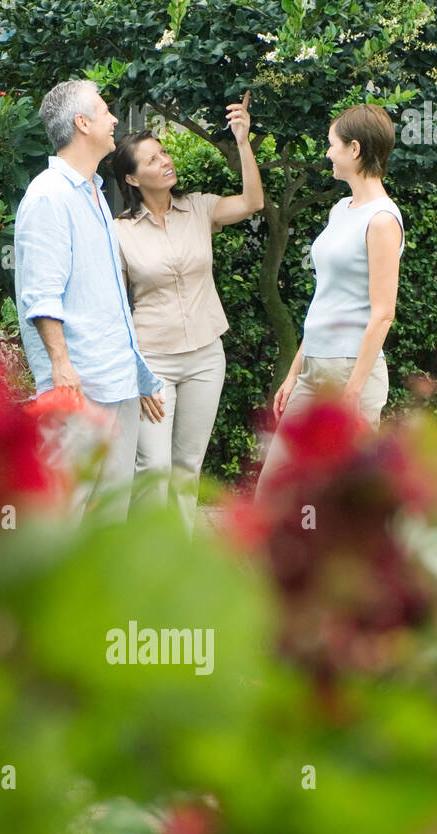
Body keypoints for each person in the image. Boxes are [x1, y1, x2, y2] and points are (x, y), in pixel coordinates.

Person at [13, 80, 165, 523]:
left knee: (108, 520)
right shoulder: (48, 197)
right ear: (82, 123)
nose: (114, 119)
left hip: (115, 381)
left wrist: (136, 375)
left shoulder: (95, 191)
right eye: (104, 111)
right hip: (77, 388)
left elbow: (108, 298)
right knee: (63, 516)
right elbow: (40, 294)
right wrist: (61, 366)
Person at [112, 93, 264, 533]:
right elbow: (118, 308)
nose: (165, 162)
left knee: (185, 467)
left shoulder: (198, 207)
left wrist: (243, 141)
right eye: (152, 160)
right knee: (153, 467)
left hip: (205, 358)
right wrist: (137, 375)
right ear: (133, 178)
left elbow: (252, 202)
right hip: (153, 363)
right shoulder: (119, 232)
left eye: (164, 153)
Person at [255, 104, 404, 500]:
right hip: (315, 368)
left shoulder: (383, 220)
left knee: (343, 501)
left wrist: (353, 392)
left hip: (351, 374)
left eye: (331, 145)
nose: (327, 153)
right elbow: (326, 300)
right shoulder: (342, 210)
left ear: (354, 149)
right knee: (274, 490)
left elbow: (383, 312)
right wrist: (293, 372)